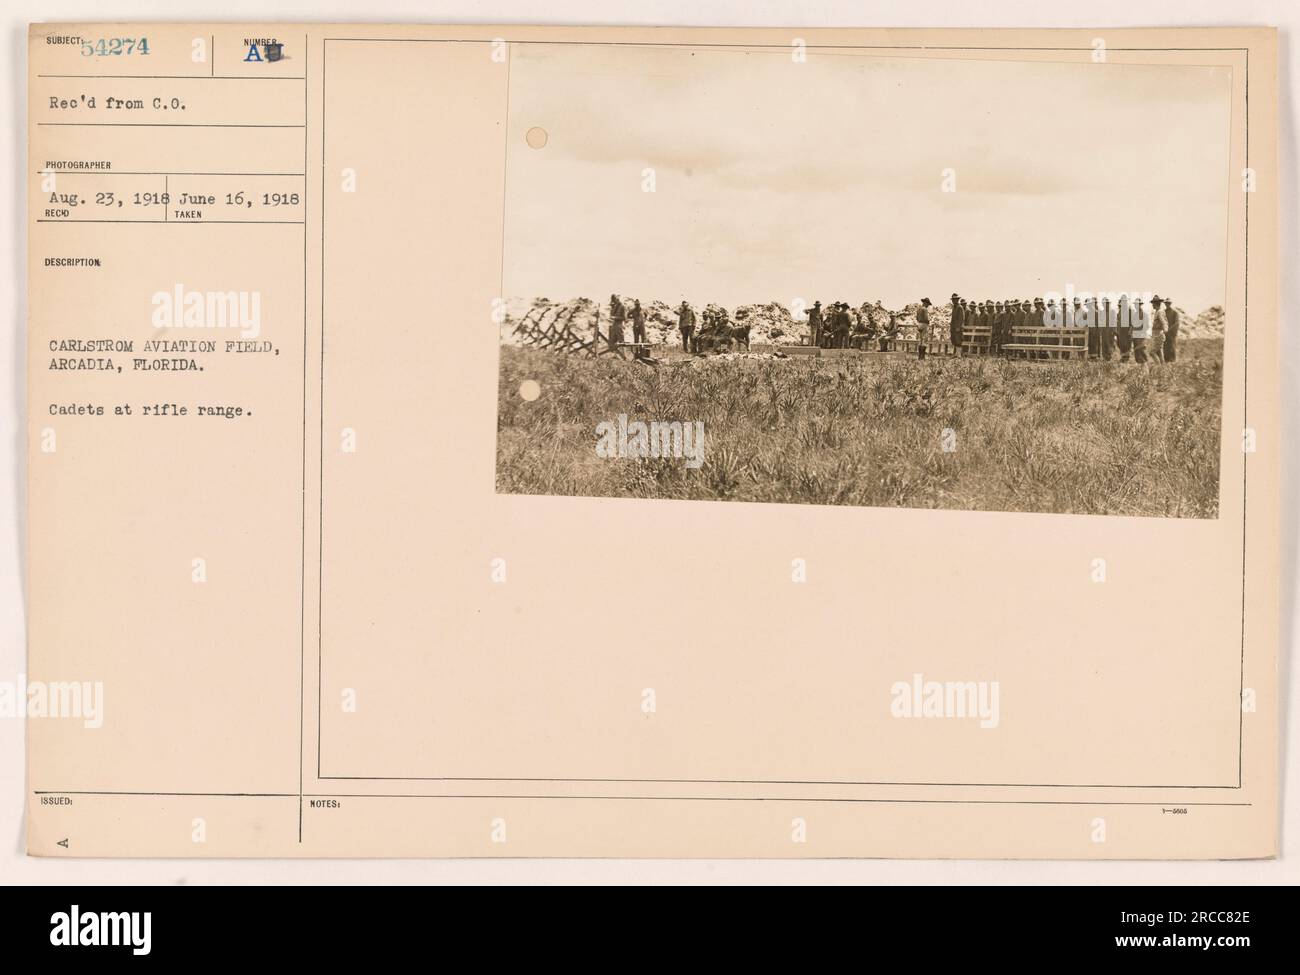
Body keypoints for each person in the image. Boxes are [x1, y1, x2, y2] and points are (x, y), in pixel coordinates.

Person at [1149, 295, 1167, 364]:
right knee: (1159, 352)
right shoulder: (1157, 312)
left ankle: (1158, 366)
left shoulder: (1160, 312)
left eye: (1153, 303)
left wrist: (1165, 329)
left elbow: (1164, 322)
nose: (1152, 305)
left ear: (1156, 303)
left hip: (1159, 335)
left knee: (1152, 352)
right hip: (1156, 334)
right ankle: (1163, 368)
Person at [1164, 298, 1180, 363]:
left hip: (1171, 334)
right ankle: (1166, 361)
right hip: (1164, 333)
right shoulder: (1163, 312)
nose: (1167, 304)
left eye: (1168, 303)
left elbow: (1176, 323)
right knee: (1165, 348)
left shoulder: (1174, 313)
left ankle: (1172, 361)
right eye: (1166, 303)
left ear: (1170, 304)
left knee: (1172, 347)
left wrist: (1171, 331)